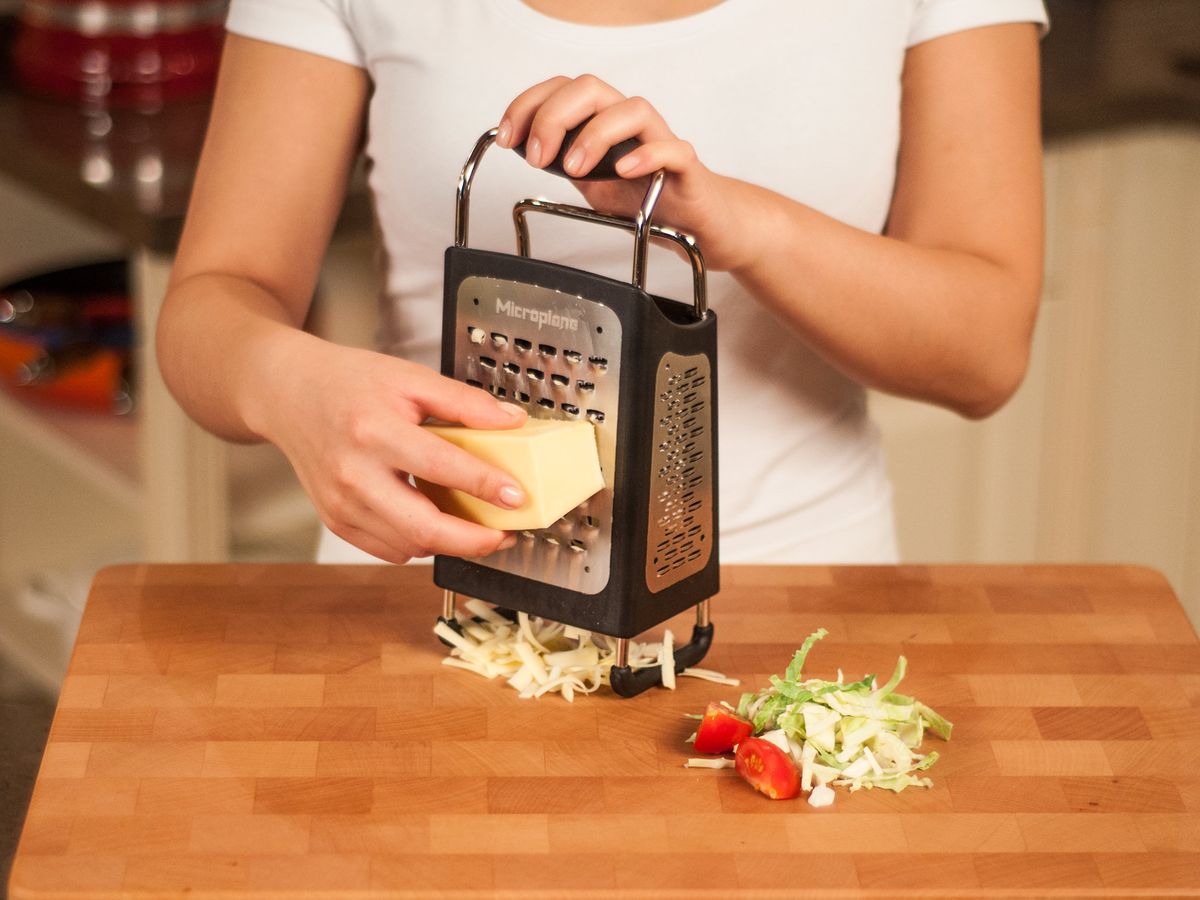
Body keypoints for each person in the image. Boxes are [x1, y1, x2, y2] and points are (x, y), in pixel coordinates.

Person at [157, 0, 1049, 566]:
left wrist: (742, 223)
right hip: (424, 589)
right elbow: (211, 302)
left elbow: (984, 351)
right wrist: (286, 384)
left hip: (798, 590)